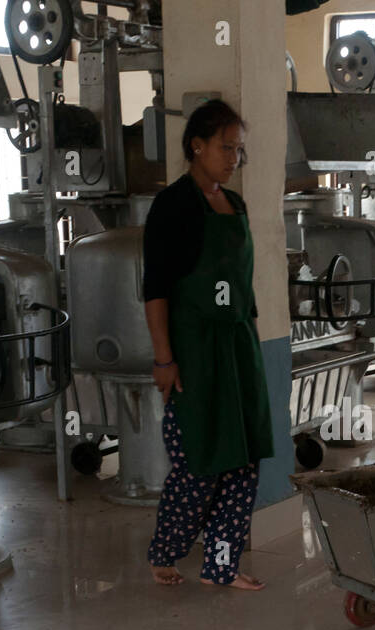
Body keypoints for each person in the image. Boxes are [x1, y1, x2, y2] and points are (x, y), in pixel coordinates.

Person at [141, 100, 274, 591]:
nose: (233, 158)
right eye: (226, 147)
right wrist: (164, 358)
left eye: (239, 150)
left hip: (239, 348)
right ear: (196, 145)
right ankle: (165, 552)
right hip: (194, 351)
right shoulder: (173, 206)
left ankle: (221, 564)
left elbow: (242, 286)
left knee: (243, 461)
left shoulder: (234, 205)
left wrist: (251, 347)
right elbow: (155, 289)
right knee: (199, 460)